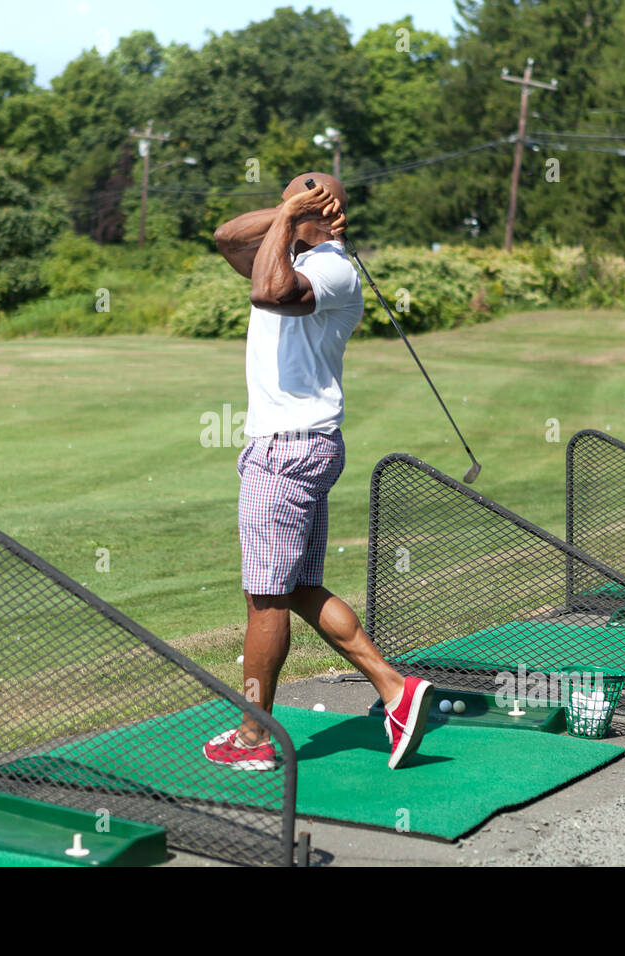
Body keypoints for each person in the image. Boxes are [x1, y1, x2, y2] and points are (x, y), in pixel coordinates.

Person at [203, 171, 432, 772]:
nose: (280, 214)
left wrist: (292, 217)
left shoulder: (331, 270)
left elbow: (268, 292)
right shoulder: (290, 249)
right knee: (299, 589)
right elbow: (227, 238)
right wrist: (288, 211)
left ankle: (253, 737)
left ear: (322, 217)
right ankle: (396, 690)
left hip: (287, 451)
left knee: (266, 599)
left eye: (294, 206)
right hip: (299, 447)